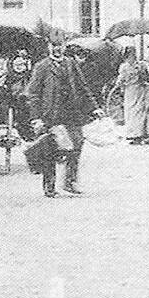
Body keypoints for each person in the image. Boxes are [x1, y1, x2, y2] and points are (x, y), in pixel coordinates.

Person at [27, 42, 100, 197]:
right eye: (53, 45)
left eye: (59, 45)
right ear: (48, 46)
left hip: (72, 113)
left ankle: (70, 181)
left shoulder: (71, 64)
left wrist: (94, 107)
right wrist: (36, 118)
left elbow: (82, 87)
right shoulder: (42, 66)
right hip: (51, 114)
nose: (57, 48)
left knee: (77, 144)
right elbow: (33, 94)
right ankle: (49, 185)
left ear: (64, 46)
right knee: (51, 149)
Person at [118, 47, 149, 144]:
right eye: (129, 55)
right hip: (130, 91)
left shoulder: (142, 65)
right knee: (130, 111)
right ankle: (132, 134)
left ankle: (140, 134)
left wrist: (141, 73)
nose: (132, 57)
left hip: (140, 89)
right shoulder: (124, 66)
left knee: (140, 110)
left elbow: (147, 77)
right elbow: (121, 79)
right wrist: (121, 83)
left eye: (133, 54)